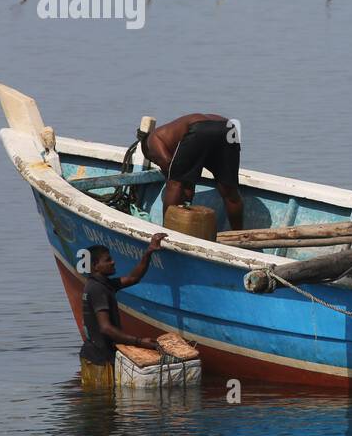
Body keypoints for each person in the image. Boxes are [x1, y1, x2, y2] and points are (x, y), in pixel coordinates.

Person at [78, 234, 168, 389]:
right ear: (95, 266)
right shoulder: (98, 289)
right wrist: (139, 342)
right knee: (103, 405)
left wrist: (149, 252)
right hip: (99, 361)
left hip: (98, 357)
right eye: (107, 260)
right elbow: (105, 328)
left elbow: (133, 278)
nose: (113, 262)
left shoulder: (103, 284)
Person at [140, 114, 244, 231]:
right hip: (229, 128)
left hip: (199, 129)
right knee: (229, 189)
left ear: (148, 153)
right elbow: (188, 180)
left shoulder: (152, 140)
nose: (157, 163)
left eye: (154, 160)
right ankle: (239, 234)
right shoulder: (175, 137)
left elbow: (170, 167)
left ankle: (167, 232)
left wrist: (172, 176)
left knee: (174, 182)